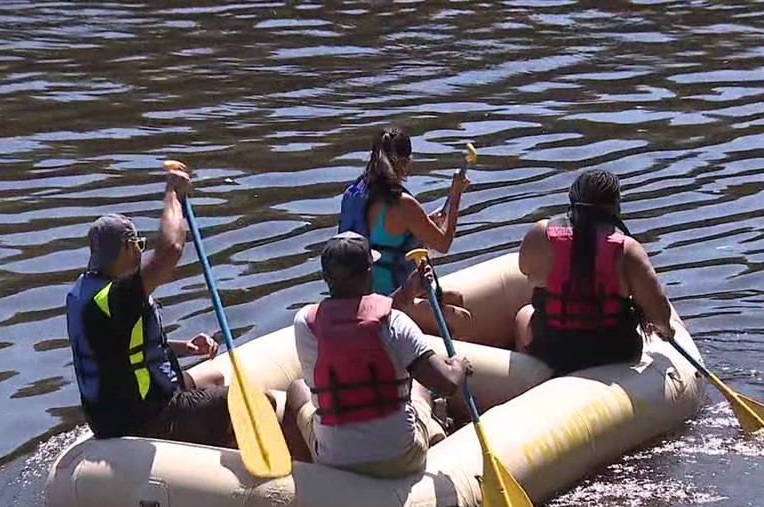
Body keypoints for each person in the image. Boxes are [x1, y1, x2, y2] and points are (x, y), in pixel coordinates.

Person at [65, 163, 236, 446]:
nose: (140, 252)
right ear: (128, 246)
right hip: (147, 416)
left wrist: (183, 347)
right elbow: (171, 249)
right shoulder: (115, 297)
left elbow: (119, 351)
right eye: (139, 244)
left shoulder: (85, 291)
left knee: (215, 376)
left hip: (111, 414)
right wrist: (172, 193)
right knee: (260, 401)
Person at [284, 232, 473, 477]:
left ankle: (308, 478)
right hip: (401, 457)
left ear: (326, 278)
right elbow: (446, 384)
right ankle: (435, 432)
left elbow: (357, 321)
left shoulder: (305, 323)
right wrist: (458, 366)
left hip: (333, 459)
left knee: (297, 389)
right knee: (419, 388)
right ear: (369, 272)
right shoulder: (396, 323)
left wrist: (404, 294)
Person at [514, 169, 679, 374]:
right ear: (615, 207)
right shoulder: (627, 250)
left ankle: (531, 377)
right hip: (614, 353)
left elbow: (527, 270)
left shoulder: (542, 234)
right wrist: (667, 330)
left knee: (524, 315)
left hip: (553, 351)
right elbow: (659, 315)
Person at [338, 125, 474, 337]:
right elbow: (444, 244)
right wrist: (455, 195)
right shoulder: (403, 203)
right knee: (462, 320)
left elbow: (387, 236)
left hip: (362, 296)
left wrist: (426, 222)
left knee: (456, 298)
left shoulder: (355, 194)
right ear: (406, 162)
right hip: (389, 300)